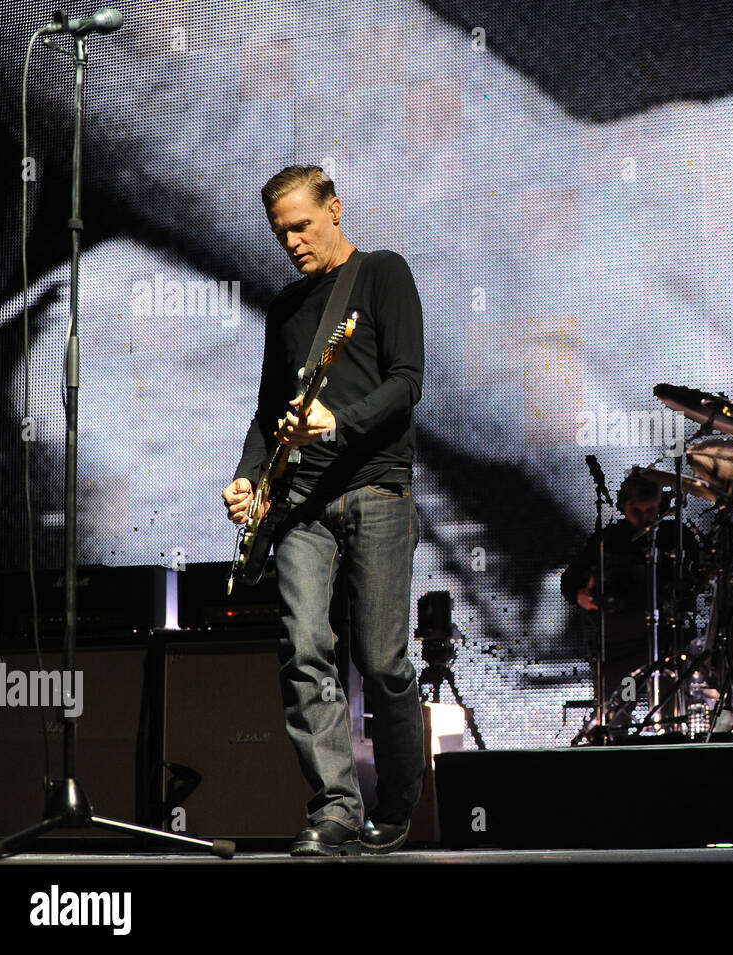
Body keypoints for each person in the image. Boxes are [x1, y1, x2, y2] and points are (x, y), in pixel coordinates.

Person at [221, 165, 425, 856]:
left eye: (302, 226)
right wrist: (249, 479)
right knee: (304, 648)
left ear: (335, 209)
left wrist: (335, 423)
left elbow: (407, 382)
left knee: (382, 658)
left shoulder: (382, 275)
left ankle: (397, 801)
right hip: (303, 506)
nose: (292, 242)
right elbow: (267, 416)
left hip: (377, 487)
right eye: (281, 233)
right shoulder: (285, 309)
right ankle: (336, 804)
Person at [560, 472, 700, 726]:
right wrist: (583, 596)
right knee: (616, 719)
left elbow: (698, 578)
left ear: (662, 506)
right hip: (620, 642)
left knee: (671, 720)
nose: (644, 517)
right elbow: (569, 582)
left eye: (651, 510)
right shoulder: (607, 540)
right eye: (637, 510)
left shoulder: (676, 536)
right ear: (623, 506)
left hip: (669, 640)